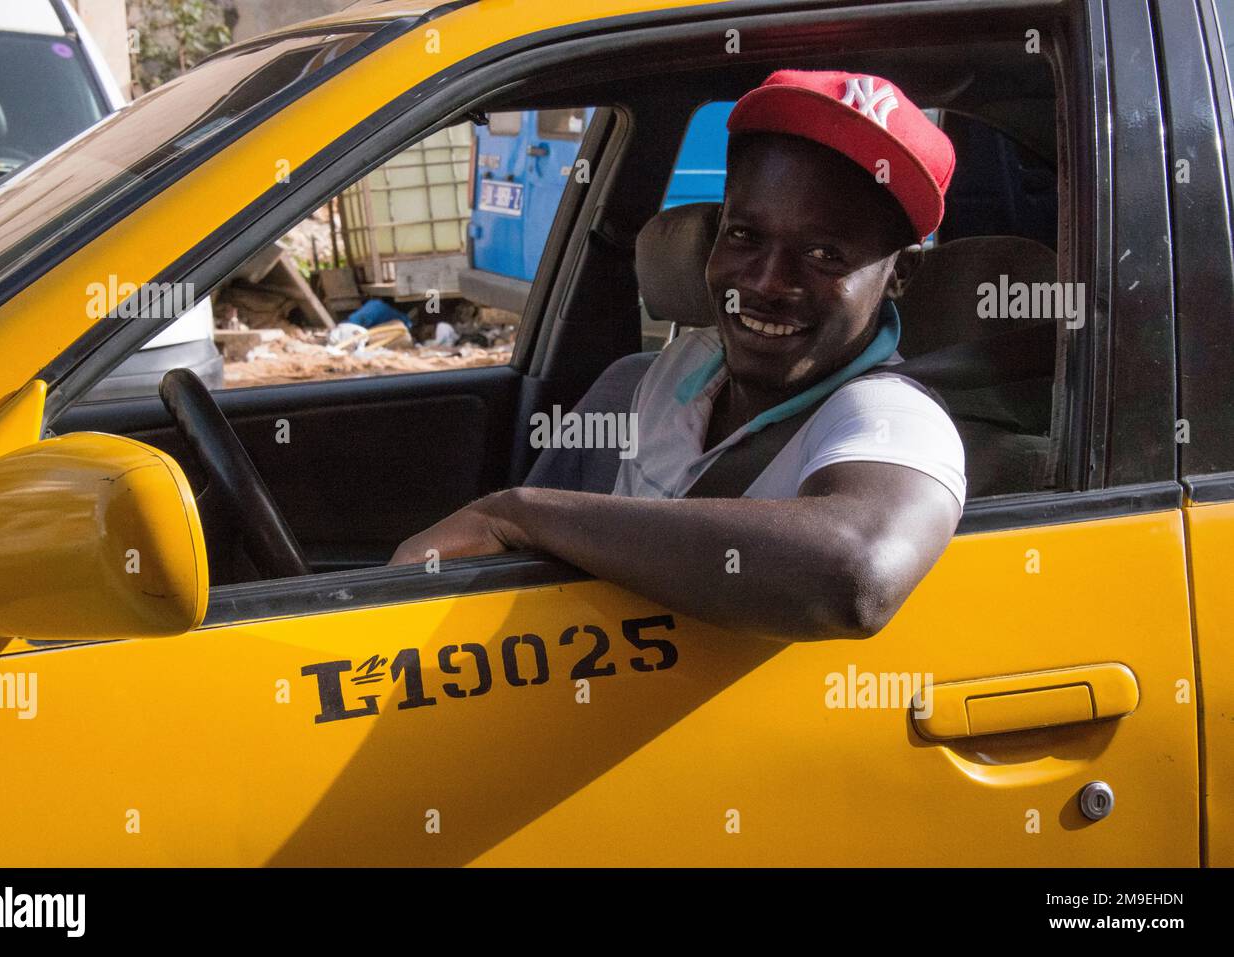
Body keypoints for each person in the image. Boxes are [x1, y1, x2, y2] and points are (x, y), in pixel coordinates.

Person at [389, 70, 965, 642]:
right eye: (744, 236)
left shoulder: (894, 420)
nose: (767, 281)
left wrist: (519, 514)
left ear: (900, 275)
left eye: (824, 254)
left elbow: (857, 574)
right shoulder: (659, 376)